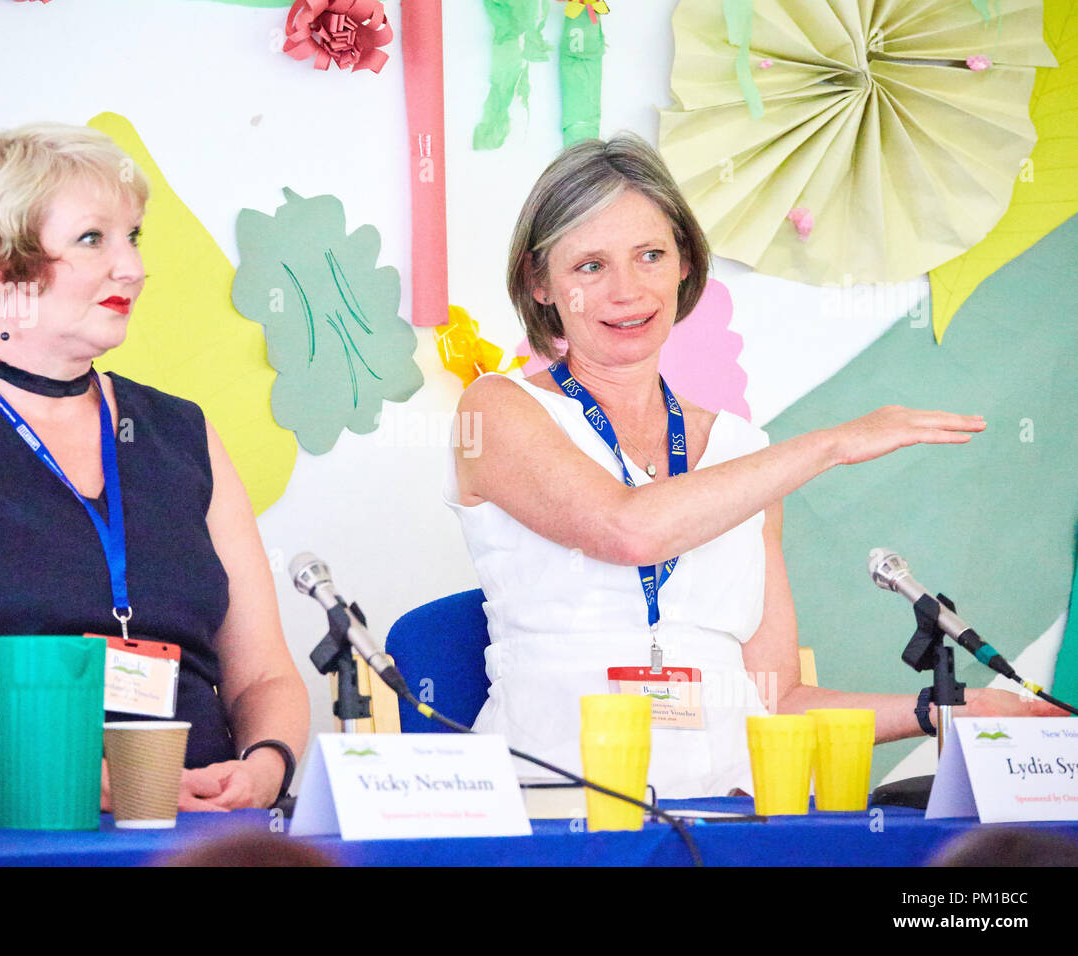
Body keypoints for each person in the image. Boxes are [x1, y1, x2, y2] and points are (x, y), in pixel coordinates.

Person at [447, 132, 1061, 797]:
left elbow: (781, 701)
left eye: (650, 255)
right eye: (590, 266)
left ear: (684, 265)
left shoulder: (744, 449)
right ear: (540, 282)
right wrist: (829, 444)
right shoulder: (497, 410)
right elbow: (630, 530)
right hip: (557, 809)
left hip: (729, 812)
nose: (626, 290)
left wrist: (942, 709)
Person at [0, 123, 309, 815]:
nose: (132, 268)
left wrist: (265, 767)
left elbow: (263, 675)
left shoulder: (184, 431)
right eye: (92, 239)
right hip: (19, 831)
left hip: (205, 830)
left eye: (132, 237)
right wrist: (111, 781)